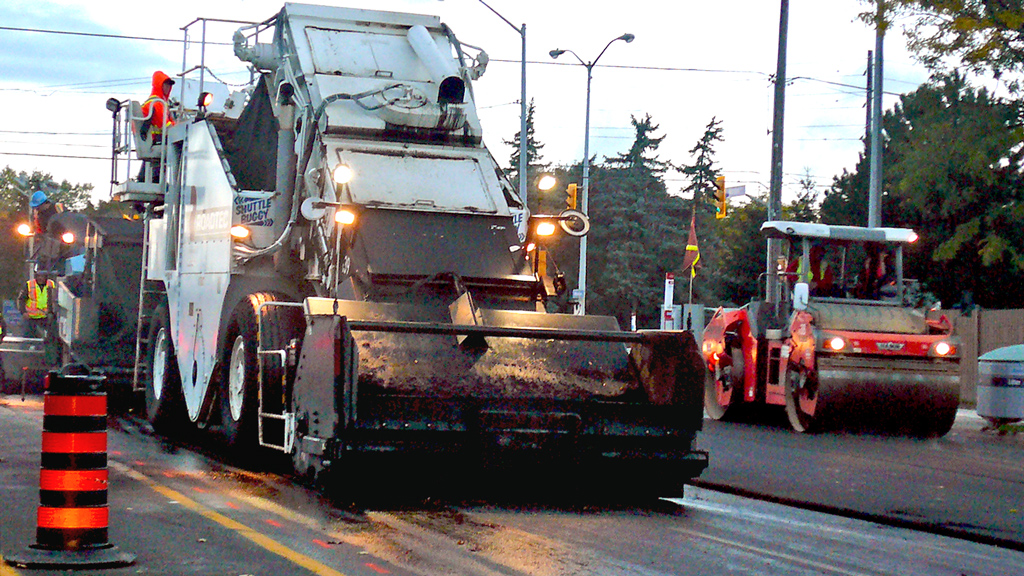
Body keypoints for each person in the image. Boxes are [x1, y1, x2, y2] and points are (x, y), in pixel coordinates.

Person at [140, 70, 176, 144]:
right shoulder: (157, 103)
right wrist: (179, 126)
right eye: (165, 84)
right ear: (159, 85)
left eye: (169, 85)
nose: (168, 87)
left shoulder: (158, 102)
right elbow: (167, 127)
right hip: (156, 140)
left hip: (154, 139)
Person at [18, 270, 55, 338]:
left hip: (45, 318)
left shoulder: (51, 284)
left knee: (46, 339)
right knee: (27, 339)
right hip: (30, 318)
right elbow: (21, 299)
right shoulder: (29, 284)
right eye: (38, 276)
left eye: (42, 276)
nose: (40, 278)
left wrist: (51, 313)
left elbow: (54, 299)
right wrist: (23, 312)